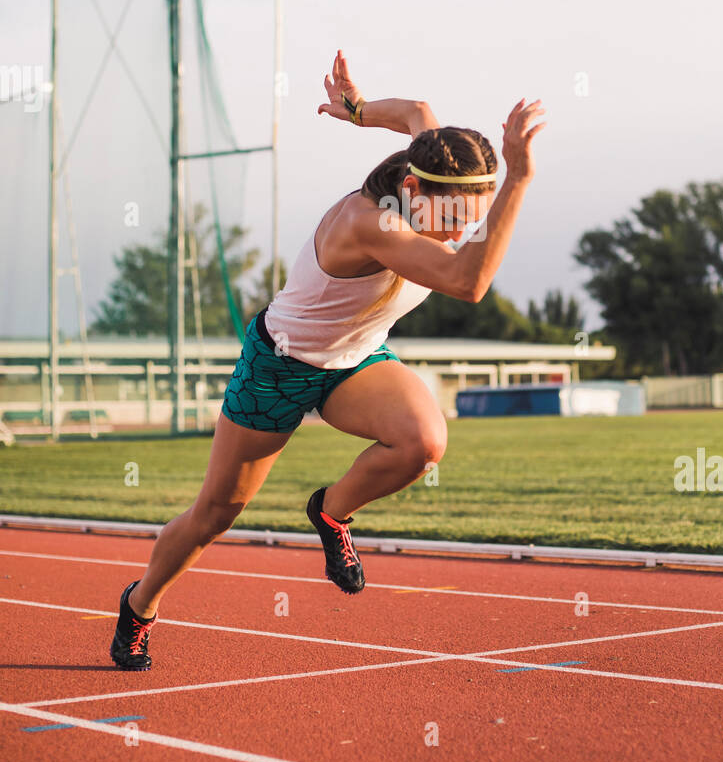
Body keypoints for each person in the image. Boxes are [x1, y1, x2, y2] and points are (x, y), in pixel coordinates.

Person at [110, 52, 545, 670]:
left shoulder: (426, 164)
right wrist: (520, 179)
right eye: (452, 221)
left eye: (471, 223)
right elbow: (468, 284)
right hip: (282, 364)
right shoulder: (370, 226)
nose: (458, 235)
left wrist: (360, 110)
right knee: (216, 512)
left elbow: (418, 113)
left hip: (357, 360)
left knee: (422, 442)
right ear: (412, 191)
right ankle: (141, 603)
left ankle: (331, 510)